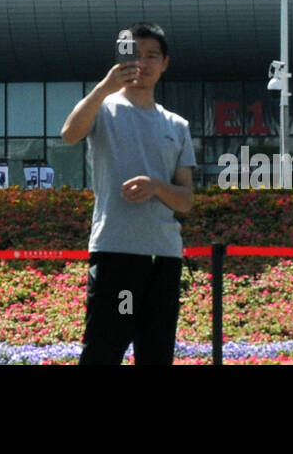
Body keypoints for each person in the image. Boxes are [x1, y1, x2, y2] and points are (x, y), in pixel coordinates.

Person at [60, 21, 195, 365]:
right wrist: (105, 86)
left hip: (163, 259)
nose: (143, 63)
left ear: (165, 63)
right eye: (135, 55)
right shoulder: (103, 109)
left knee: (156, 354)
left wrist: (156, 186)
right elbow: (69, 134)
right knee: (106, 349)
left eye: (152, 56)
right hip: (118, 255)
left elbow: (186, 200)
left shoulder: (177, 126)